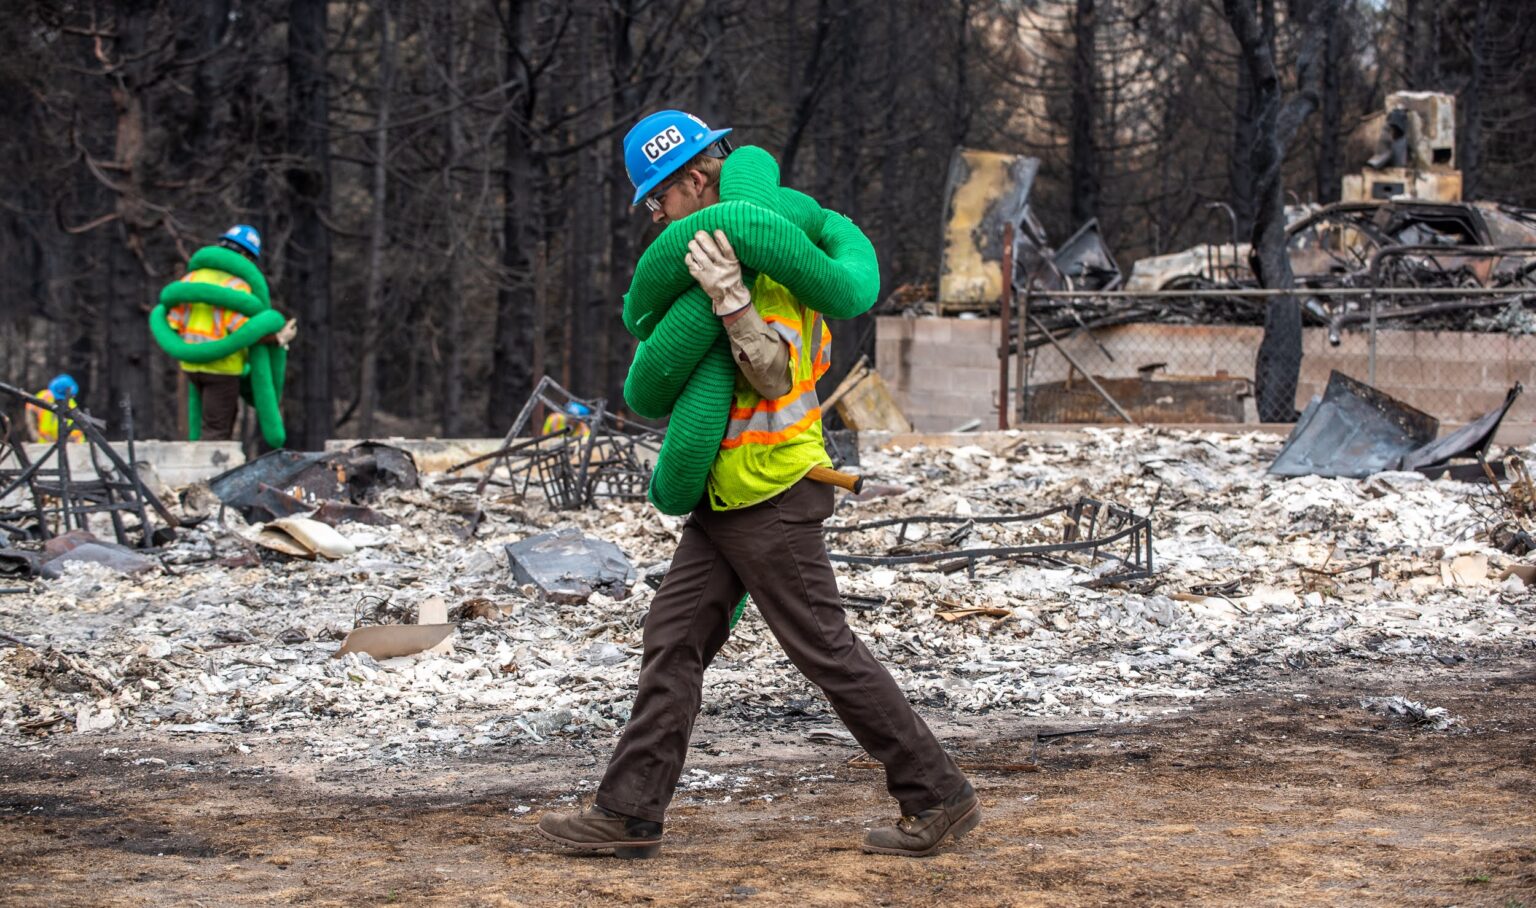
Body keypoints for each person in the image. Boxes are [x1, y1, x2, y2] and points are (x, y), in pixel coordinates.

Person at [537, 110, 978, 859]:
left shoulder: (770, 257)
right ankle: (629, 812)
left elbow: (772, 373)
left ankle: (937, 794)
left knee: (825, 649)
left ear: (693, 181)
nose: (655, 216)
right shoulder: (707, 258)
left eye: (657, 199)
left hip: (773, 490)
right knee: (673, 640)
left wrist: (733, 300)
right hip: (725, 497)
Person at [163, 225, 296, 440]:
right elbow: (246, 332)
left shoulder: (190, 279)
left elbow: (173, 323)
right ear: (245, 256)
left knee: (199, 426)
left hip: (191, 366)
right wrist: (278, 338)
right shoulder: (236, 286)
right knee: (216, 432)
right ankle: (211, 464)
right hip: (221, 369)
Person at [26, 374, 83, 444]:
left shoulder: (72, 405)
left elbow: (75, 432)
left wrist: (67, 440)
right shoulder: (43, 396)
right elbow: (30, 409)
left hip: (71, 445)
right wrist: (33, 432)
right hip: (44, 443)